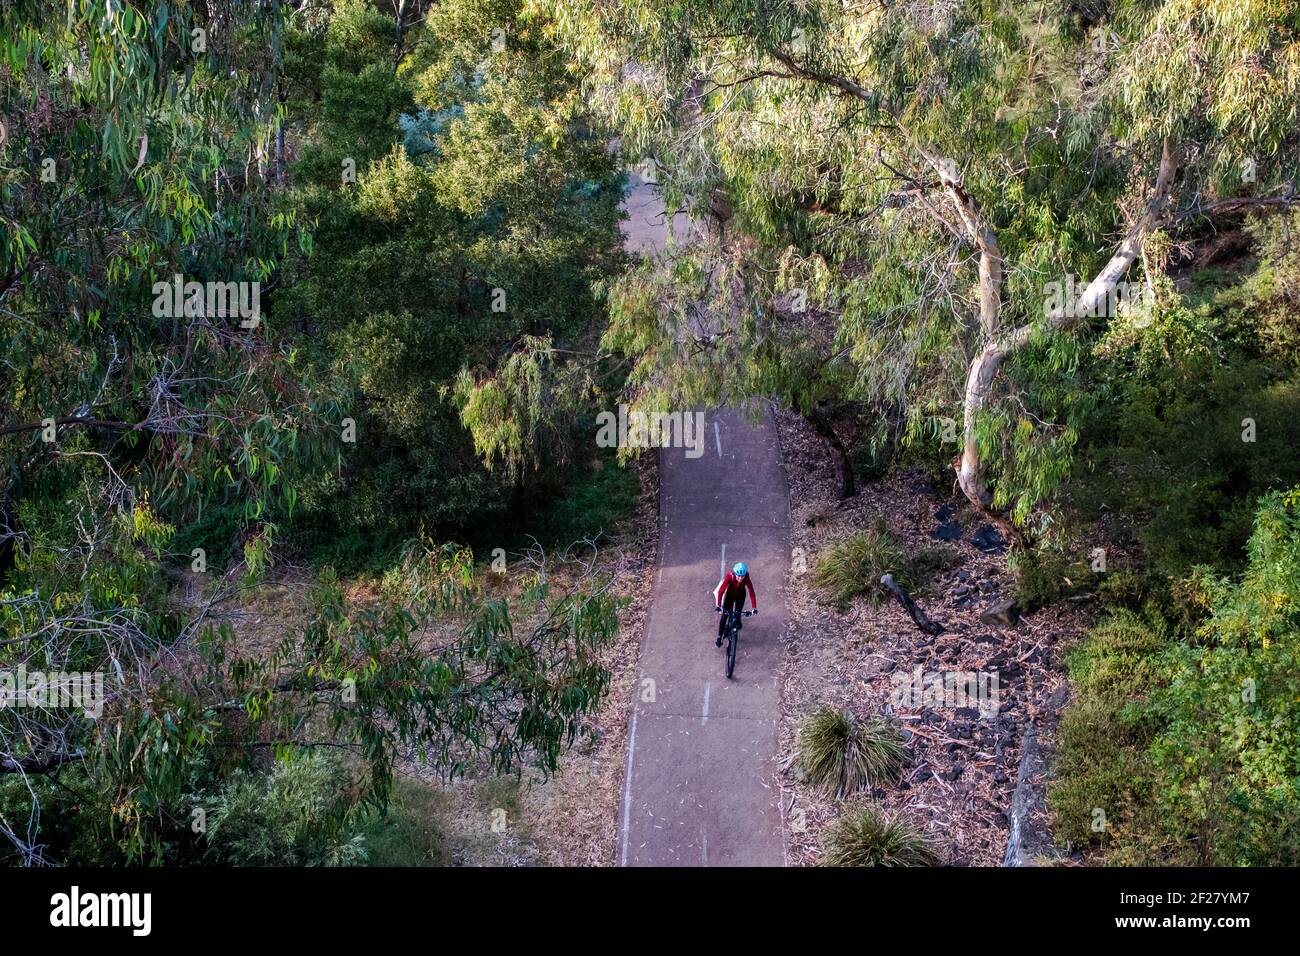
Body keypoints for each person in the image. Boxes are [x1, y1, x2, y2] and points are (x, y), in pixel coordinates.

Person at [713, 561, 757, 647]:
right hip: (729, 595)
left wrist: (754, 607)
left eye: (742, 576)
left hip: (740, 595)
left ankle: (738, 620)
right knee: (724, 616)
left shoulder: (746, 577)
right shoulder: (730, 576)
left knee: (738, 613)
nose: (740, 578)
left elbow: (751, 591)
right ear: (735, 574)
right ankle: (719, 636)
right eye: (739, 576)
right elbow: (721, 591)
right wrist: (718, 605)